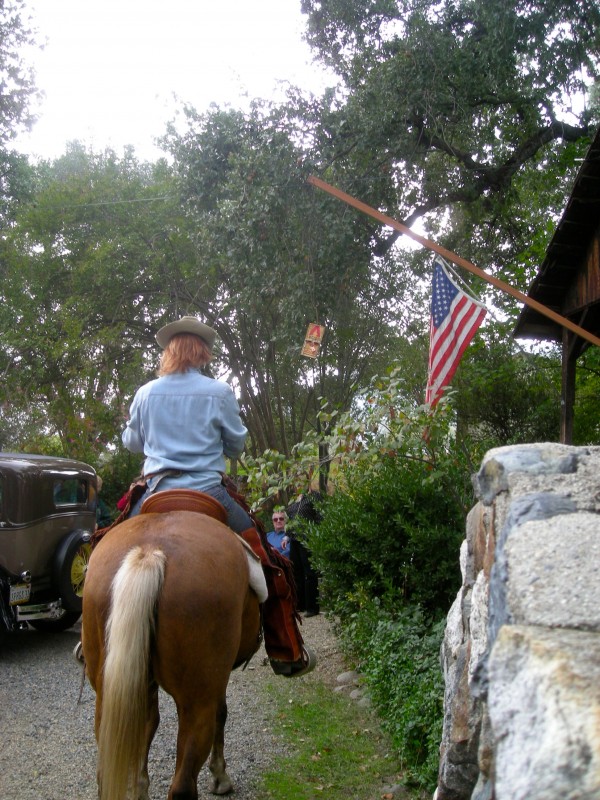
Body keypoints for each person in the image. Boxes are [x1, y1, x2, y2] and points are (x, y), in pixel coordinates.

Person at [120, 315, 315, 678]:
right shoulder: (219, 392)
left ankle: (92, 639)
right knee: (268, 560)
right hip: (208, 492)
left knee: (106, 550)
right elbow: (237, 443)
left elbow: (131, 442)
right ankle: (285, 650)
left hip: (155, 492)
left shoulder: (146, 393)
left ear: (170, 352)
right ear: (202, 352)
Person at [286, 493, 321, 618]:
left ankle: (312, 607)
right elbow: (291, 521)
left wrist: (315, 533)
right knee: (296, 571)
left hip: (307, 538)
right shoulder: (293, 500)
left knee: (309, 572)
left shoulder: (313, 496)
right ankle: (300, 604)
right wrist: (287, 536)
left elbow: (319, 515)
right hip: (294, 540)